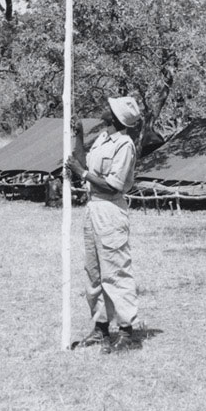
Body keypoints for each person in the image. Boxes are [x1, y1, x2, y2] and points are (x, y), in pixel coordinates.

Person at [65, 96, 142, 353]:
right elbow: (83, 162)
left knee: (116, 271)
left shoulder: (125, 145)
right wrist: (78, 135)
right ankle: (100, 329)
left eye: (110, 108)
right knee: (94, 273)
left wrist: (82, 174)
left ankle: (126, 332)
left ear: (117, 117)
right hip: (93, 208)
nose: (104, 108)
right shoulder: (103, 138)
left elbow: (113, 185)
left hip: (110, 210)